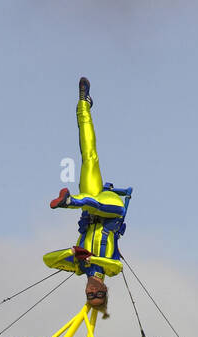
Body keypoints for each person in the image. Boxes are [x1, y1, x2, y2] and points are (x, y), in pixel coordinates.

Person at [44, 77, 132, 317]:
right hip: (111, 209)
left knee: (89, 157)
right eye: (99, 295)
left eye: (89, 296)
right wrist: (94, 258)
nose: (93, 292)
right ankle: (71, 202)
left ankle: (83, 104)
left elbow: (48, 260)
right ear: (105, 290)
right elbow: (114, 264)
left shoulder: (79, 267)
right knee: (94, 203)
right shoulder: (111, 271)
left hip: (91, 202)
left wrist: (73, 255)